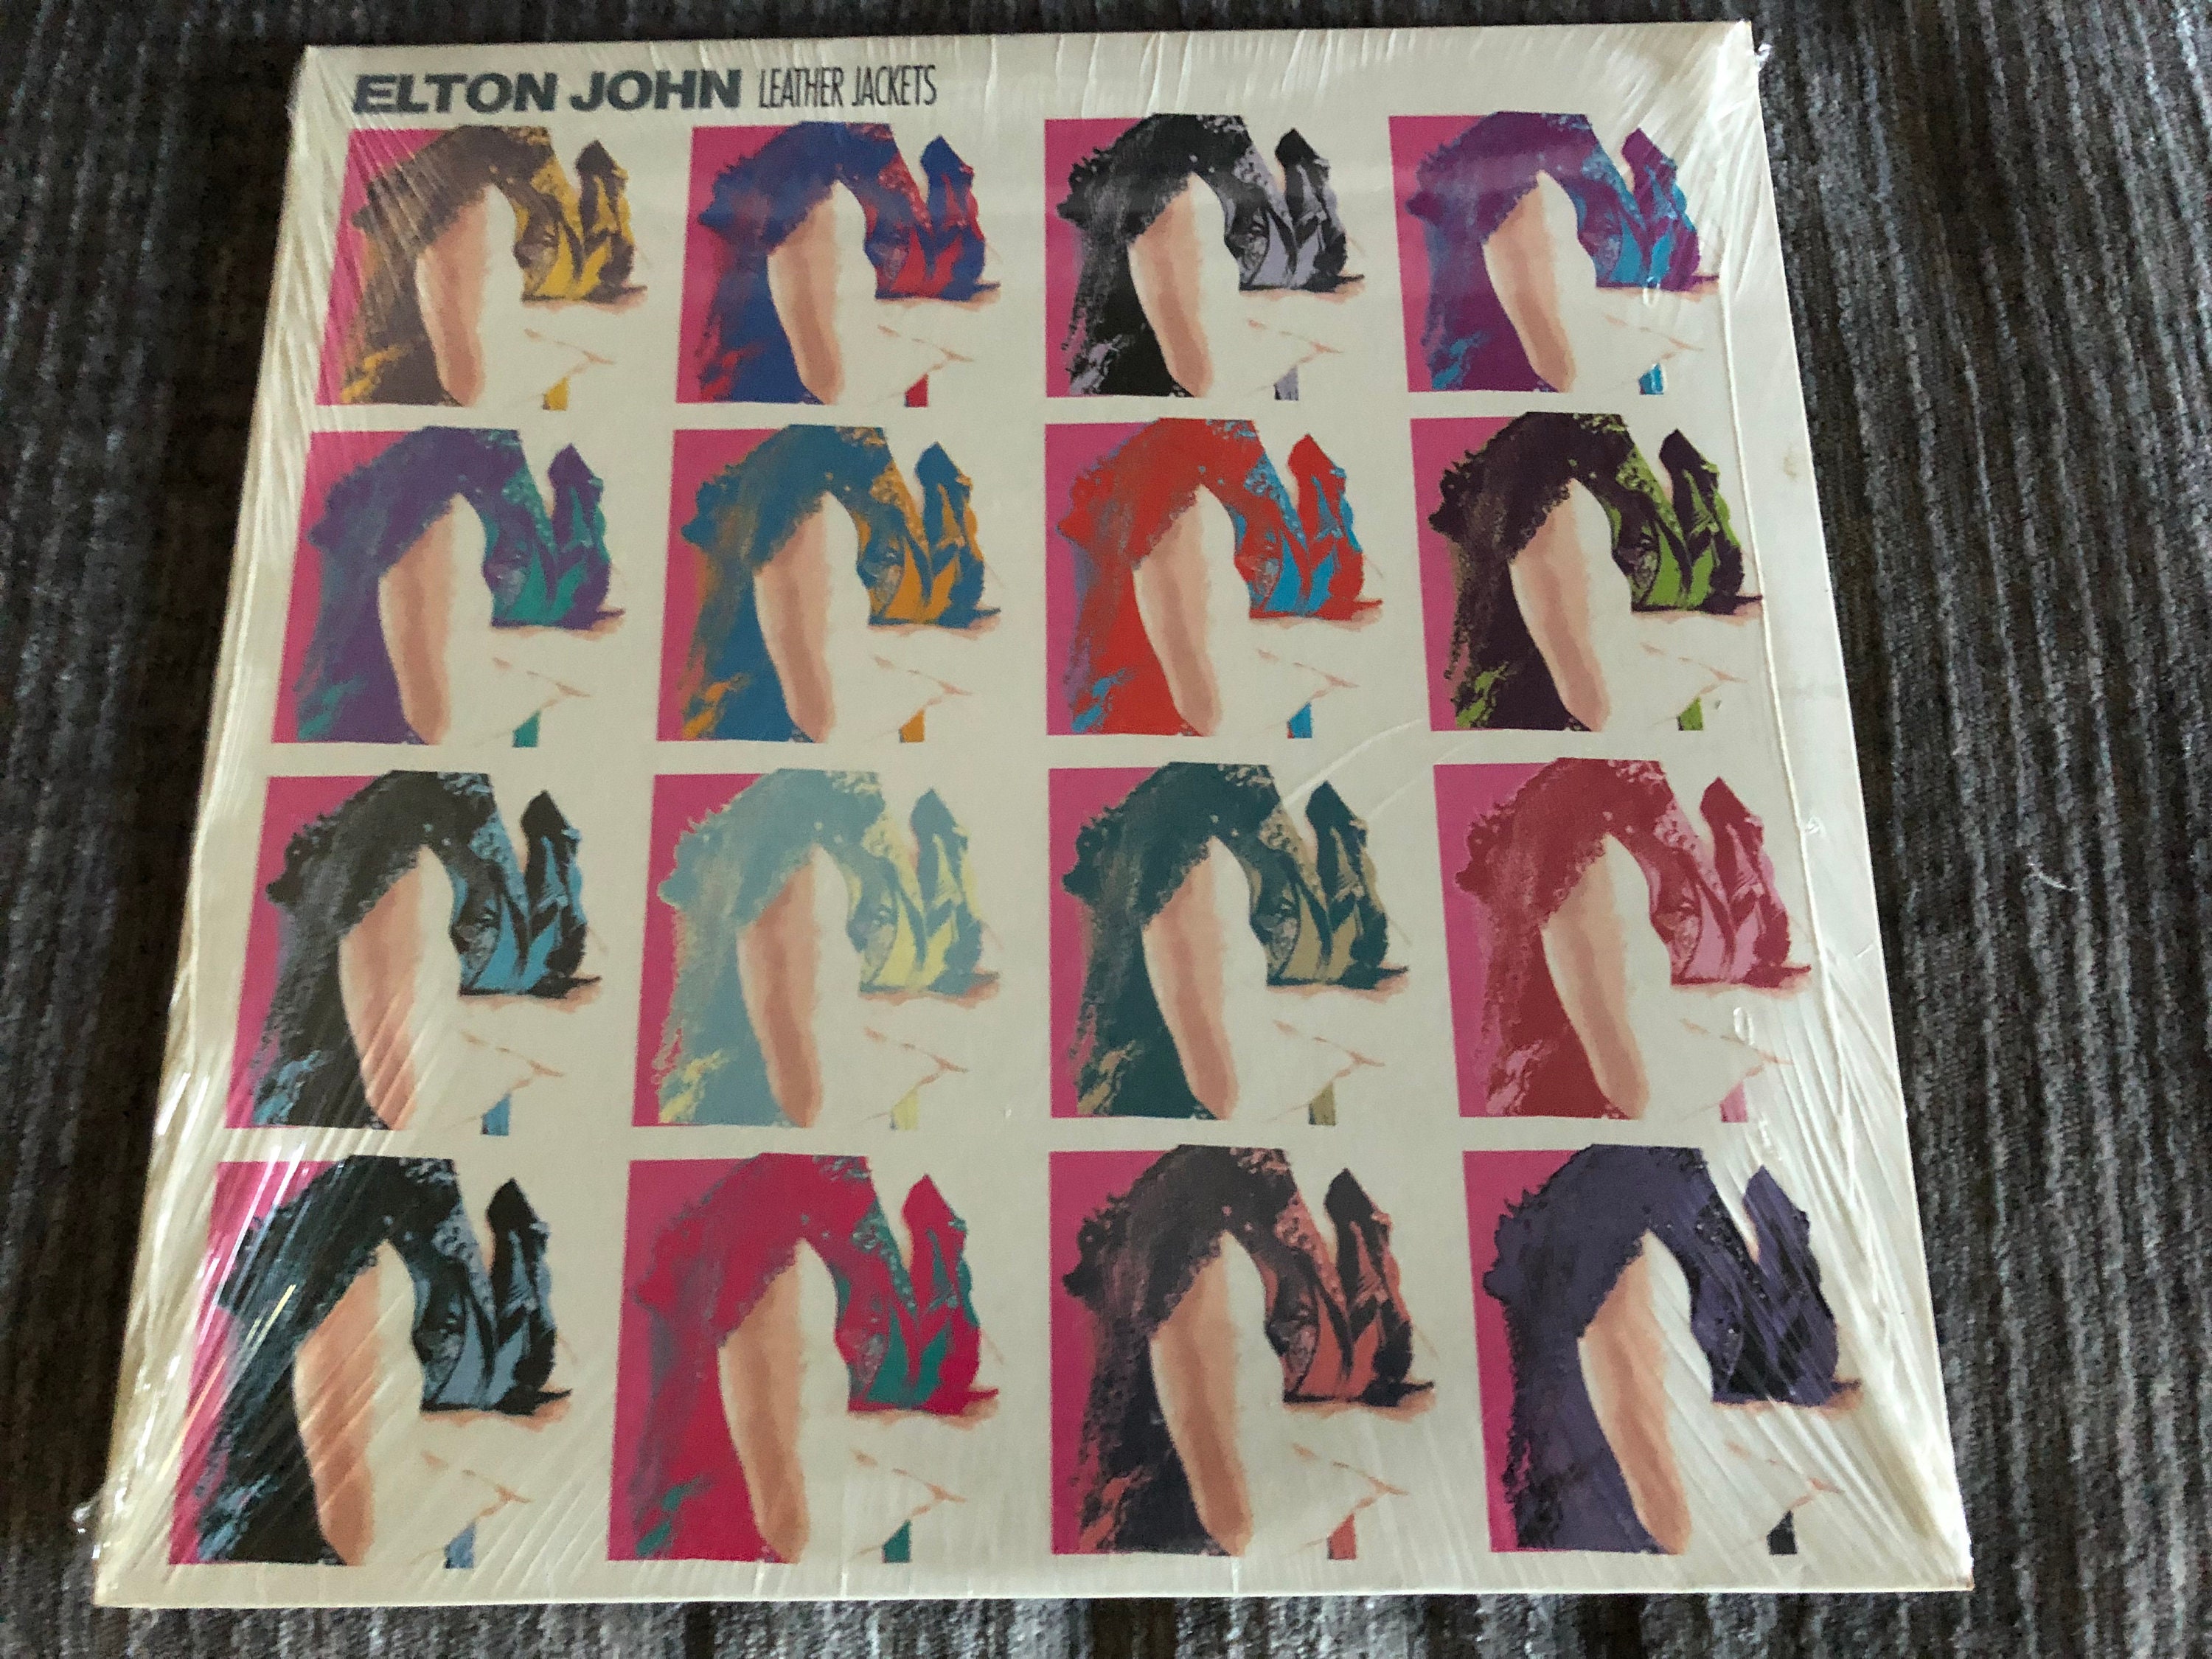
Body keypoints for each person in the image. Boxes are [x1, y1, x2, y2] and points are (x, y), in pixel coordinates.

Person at [190, 1152, 572, 1567]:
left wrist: (423, 1439)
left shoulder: (513, 1218)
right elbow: (373, 1533)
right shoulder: (362, 1215)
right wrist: (509, 1474)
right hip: (296, 1584)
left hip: (442, 1578)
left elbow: (568, 1441)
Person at [624, 1150, 999, 1562]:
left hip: (883, 1568)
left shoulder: (931, 1213)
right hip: (735, 1577)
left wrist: (852, 1435)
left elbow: (1005, 1443)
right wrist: (946, 1480)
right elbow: (801, 1526)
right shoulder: (776, 1202)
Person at [1063, 1144, 1432, 1557]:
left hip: (1339, 1556)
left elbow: (1440, 1418)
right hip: (1191, 1575)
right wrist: (1394, 1468)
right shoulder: (1199, 1206)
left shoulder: (1355, 1204)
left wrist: (1284, 1429)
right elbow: (1245, 1525)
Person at [246, 771, 591, 1132]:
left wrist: (458, 1017)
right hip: (348, 1144)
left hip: (476, 1143)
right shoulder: (406, 827)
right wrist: (540, 1059)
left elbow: (598, 1015)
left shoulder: (548, 831)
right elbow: (413, 1099)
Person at [652, 769, 993, 1129]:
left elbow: (1002, 1014)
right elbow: (818, 1100)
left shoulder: (940, 826)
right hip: (764, 1144)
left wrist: (867, 1015)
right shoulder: (798, 825)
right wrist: (943, 1055)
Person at [1064, 764, 1399, 1123]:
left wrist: (1270, 1006)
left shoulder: (1333, 816)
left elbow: (1406, 1018)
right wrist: (1355, 1048)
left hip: (1307, 1138)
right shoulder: (1188, 818)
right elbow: (1237, 1094)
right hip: (1183, 1140)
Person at [291, 428, 621, 746]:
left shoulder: (572, 482)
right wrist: (571, 676)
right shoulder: (441, 477)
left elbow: (622, 650)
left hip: (500, 765)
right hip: (384, 766)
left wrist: (488, 644)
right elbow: (448, 720)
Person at [674, 426, 993, 743]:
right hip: (774, 759)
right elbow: (832, 717)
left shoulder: (941, 479)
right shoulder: (807, 481)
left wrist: (869, 643)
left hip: (898, 755)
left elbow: (1002, 649)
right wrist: (947, 681)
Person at [1060, 420, 1373, 738]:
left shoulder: (1312, 466)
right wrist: (1333, 673)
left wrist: (1252, 638)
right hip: (1164, 755)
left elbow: (1381, 636)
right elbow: (1221, 712)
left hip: (1284, 749)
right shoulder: (1174, 469)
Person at [1402, 111, 1713, 394]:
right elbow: (1572, 366)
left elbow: (1716, 298)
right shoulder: (1511, 152)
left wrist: (1599, 305)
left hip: (1642, 408)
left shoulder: (1650, 151)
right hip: (1533, 421)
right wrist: (1689, 321)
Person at [334, 128, 644, 408]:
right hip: (428, 432)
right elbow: (478, 387)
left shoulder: (600, 172)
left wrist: (525, 321)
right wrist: (594, 344)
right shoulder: (472, 171)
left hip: (545, 426)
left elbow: (643, 327)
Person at [691, 122, 998, 405]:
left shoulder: (945, 165)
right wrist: (954, 344)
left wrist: (888, 316)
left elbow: (1001, 320)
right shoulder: (817, 164)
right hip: (792, 428)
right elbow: (840, 384)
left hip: (910, 421)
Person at [1058, 116, 1361, 399]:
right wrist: (1323, 329)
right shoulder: (1173, 160)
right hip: (1158, 422)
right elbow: (1212, 375)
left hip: (1271, 418)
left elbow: (1361, 312)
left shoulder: (1301, 160)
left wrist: (1245, 309)